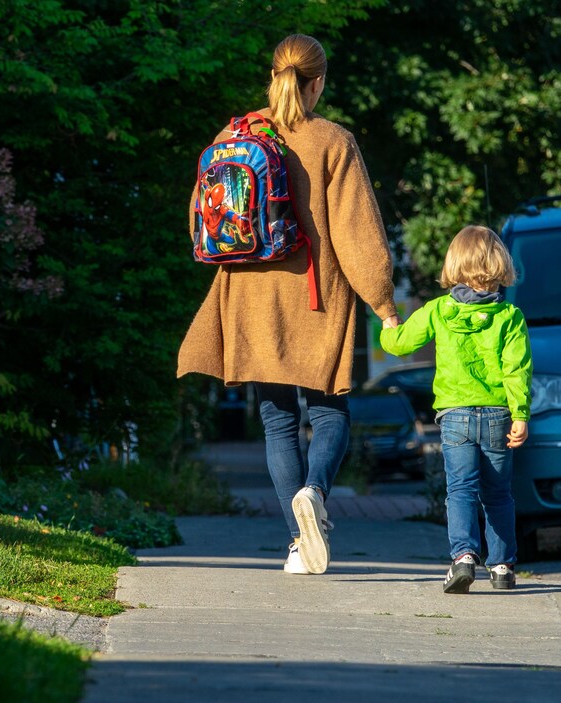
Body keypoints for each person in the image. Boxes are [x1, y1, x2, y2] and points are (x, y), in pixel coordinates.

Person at [178, 34, 399, 576]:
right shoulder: (333, 141)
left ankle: (299, 546)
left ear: (273, 76)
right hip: (314, 297)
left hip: (248, 296)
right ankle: (315, 492)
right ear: (317, 81)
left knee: (277, 423)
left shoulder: (233, 135)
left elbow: (200, 219)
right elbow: (357, 233)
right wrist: (384, 302)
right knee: (329, 412)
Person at [379, 225, 532, 593]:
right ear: (499, 263)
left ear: (454, 263)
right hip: (498, 415)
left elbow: (400, 344)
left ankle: (463, 557)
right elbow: (517, 369)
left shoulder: (438, 310)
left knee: (461, 489)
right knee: (498, 493)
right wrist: (520, 415)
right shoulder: (509, 316)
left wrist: (387, 324)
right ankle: (502, 566)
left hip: (455, 417)